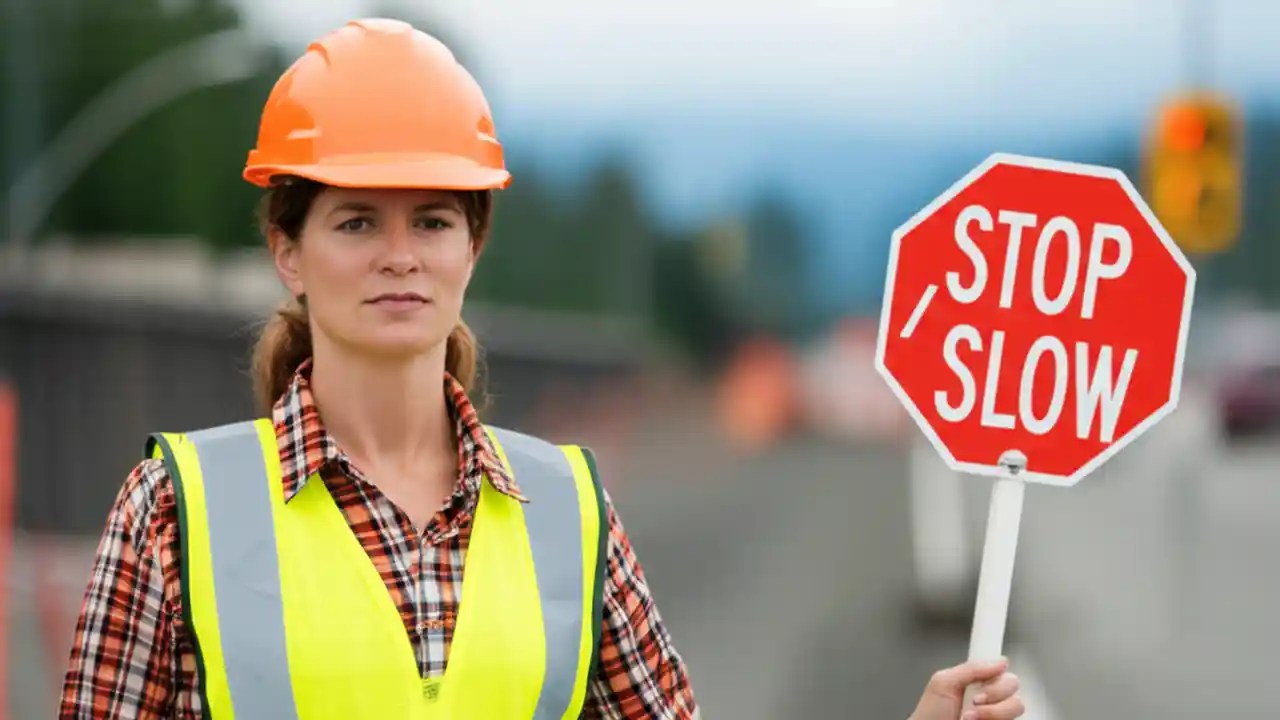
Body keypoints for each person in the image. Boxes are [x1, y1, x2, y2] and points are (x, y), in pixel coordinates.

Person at [59, 17, 1022, 720]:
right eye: (357, 221)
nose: (402, 254)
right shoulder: (175, 511)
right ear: (288, 251)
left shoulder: (566, 513)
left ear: (472, 247)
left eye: (433, 220)